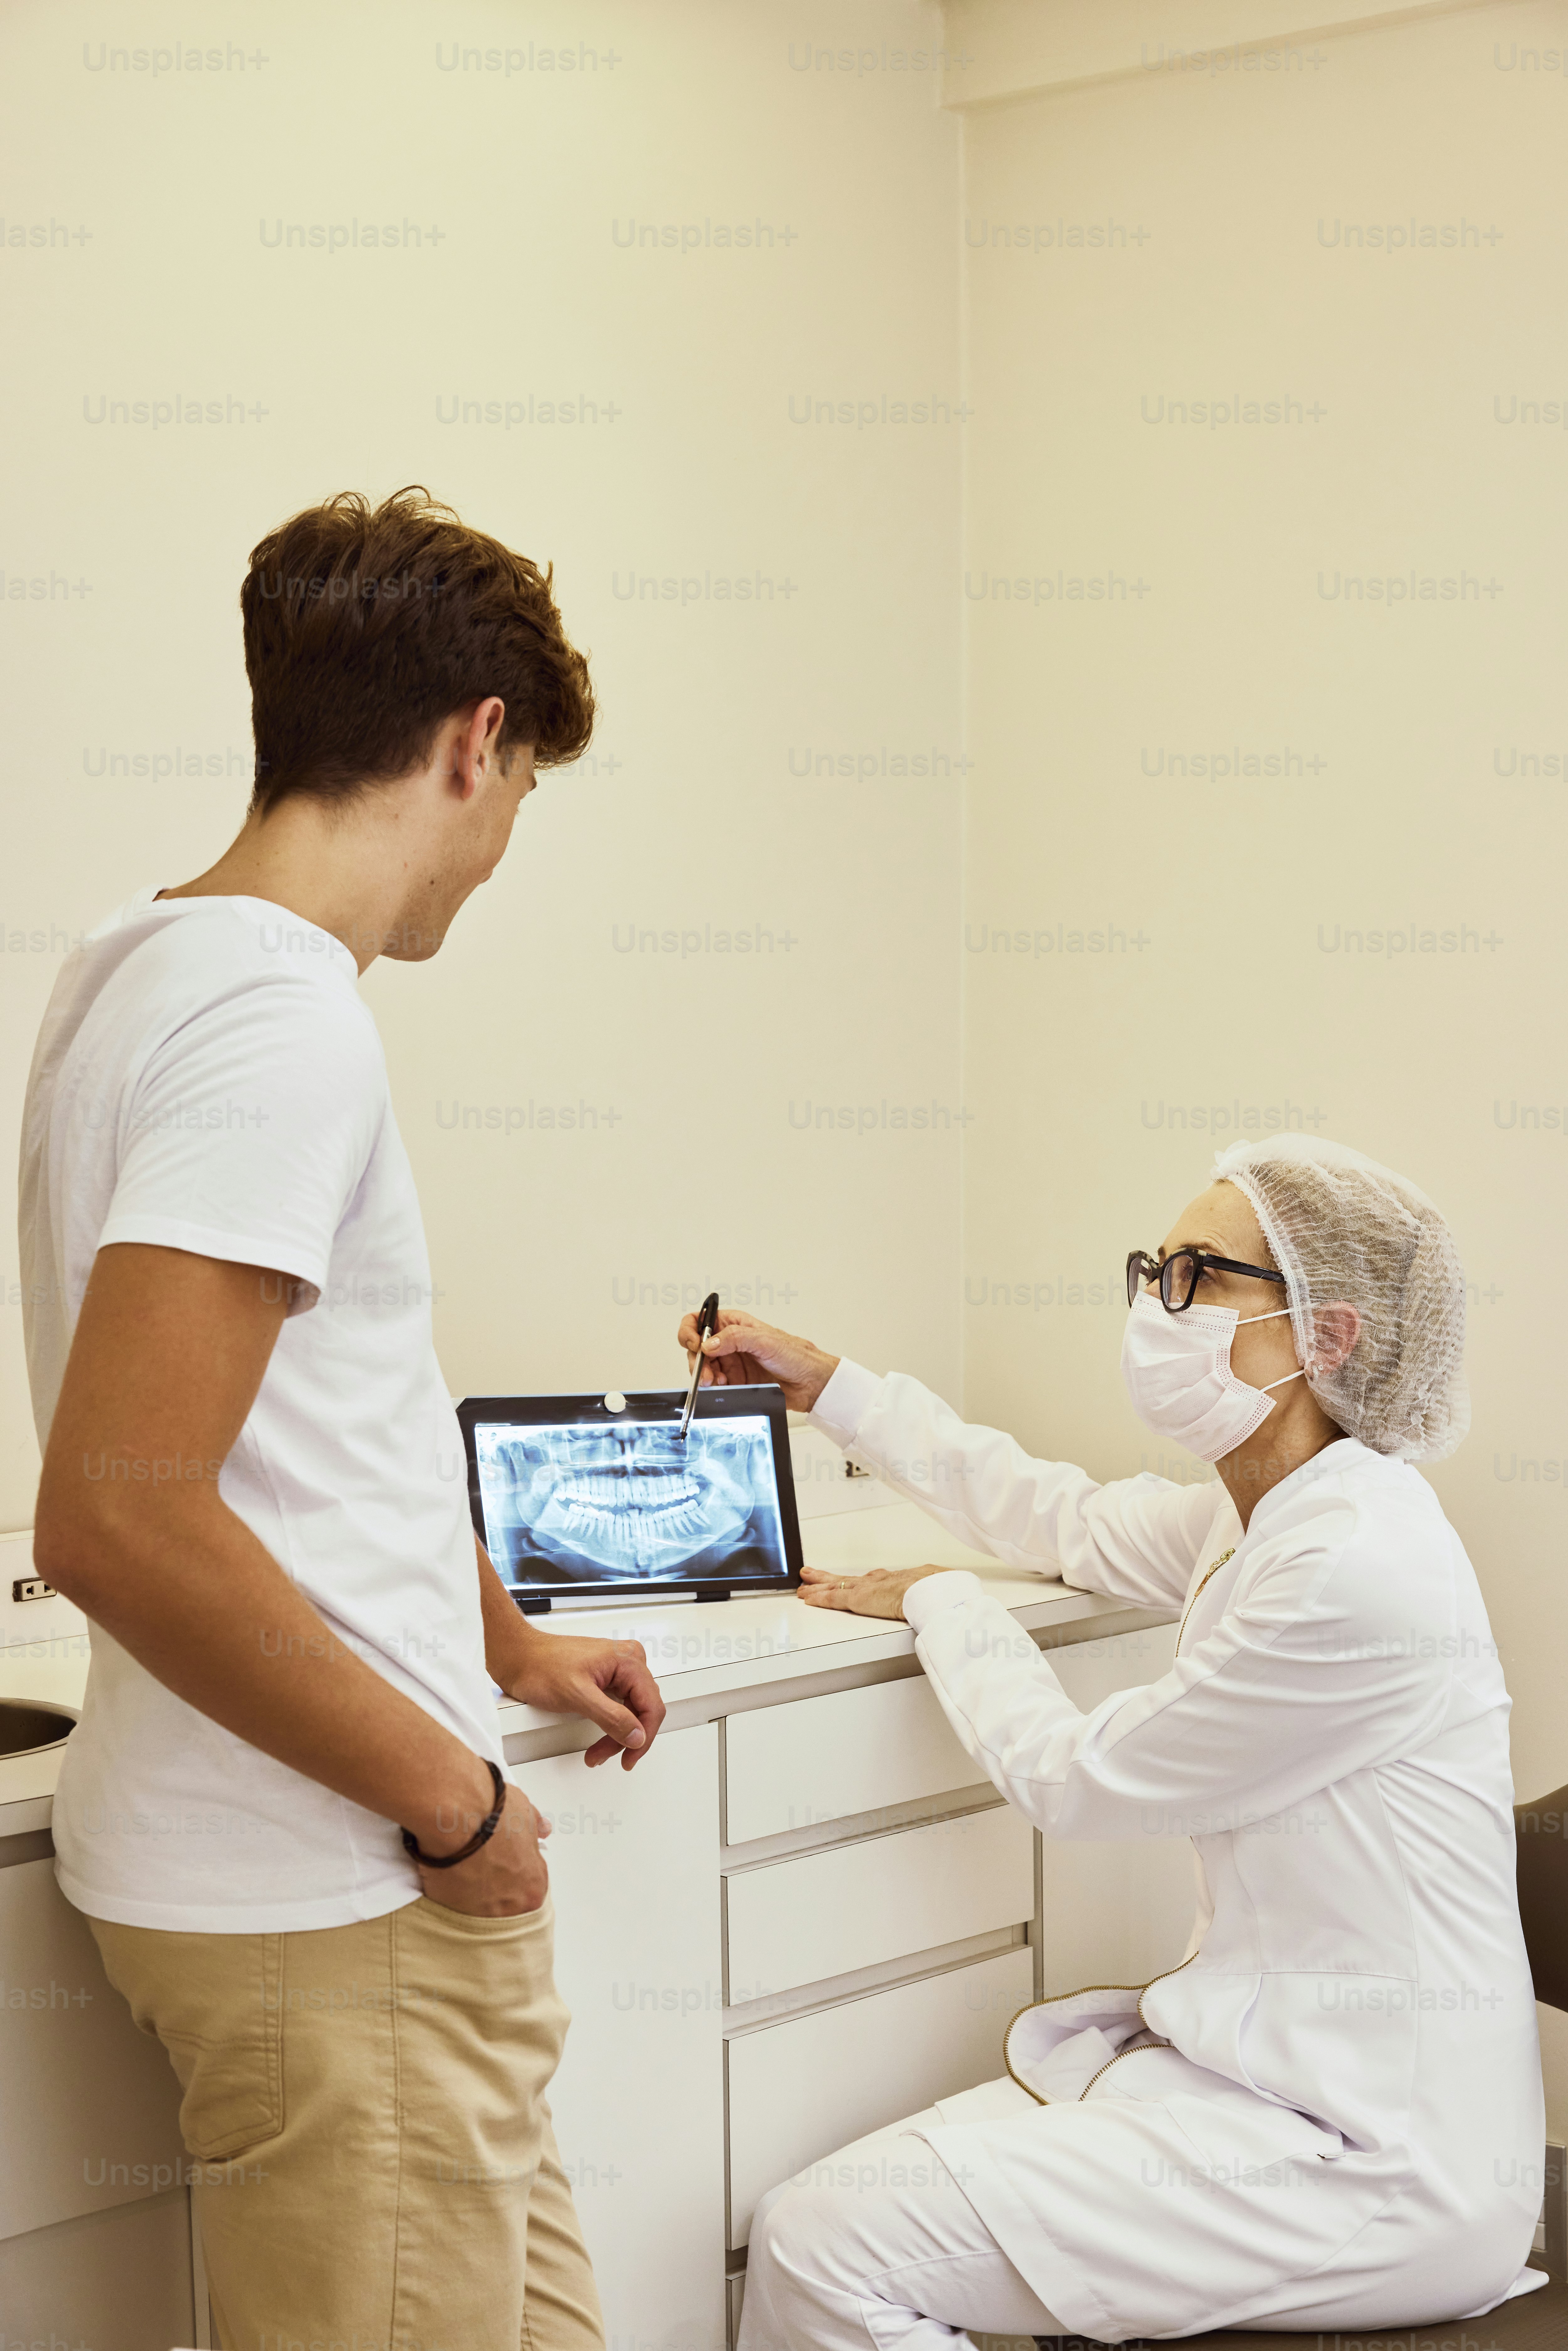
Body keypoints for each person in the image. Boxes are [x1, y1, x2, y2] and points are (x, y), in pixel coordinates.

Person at [23, 488, 665, 2351]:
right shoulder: (276, 1020)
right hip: (335, 1891)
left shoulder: (137, 970)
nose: (497, 854)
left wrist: (504, 1640)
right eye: (523, 797)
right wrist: (453, 1798)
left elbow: (330, 1426)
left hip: (298, 1876)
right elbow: (121, 1514)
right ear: (478, 744)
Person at [679, 1135, 1544, 2348]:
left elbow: (1075, 1780)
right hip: (1265, 2087)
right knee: (831, 2228)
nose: (1156, 1304)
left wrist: (943, 1600)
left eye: (1199, 1275)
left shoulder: (1353, 1567)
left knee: (821, 2247)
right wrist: (831, 1385)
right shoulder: (1273, 1514)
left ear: (1325, 1337)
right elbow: (1064, 1519)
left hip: (1372, 2160)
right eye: (1153, 1268)